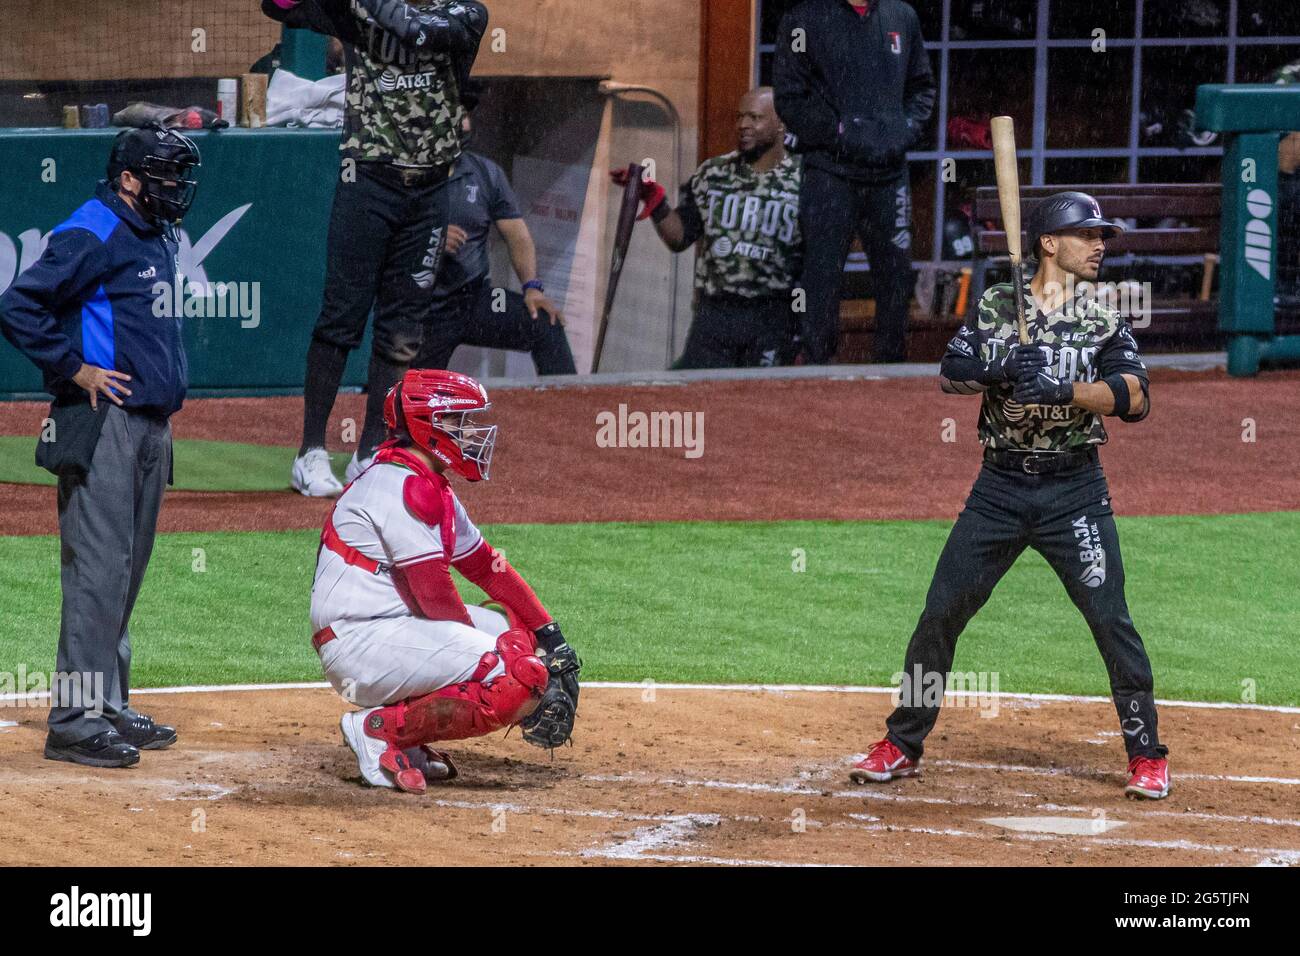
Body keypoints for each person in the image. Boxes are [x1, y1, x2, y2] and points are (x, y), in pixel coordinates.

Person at [849, 191, 1171, 800]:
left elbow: (1136, 398)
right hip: (997, 490)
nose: (1101, 246)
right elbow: (951, 371)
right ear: (1050, 243)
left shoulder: (1104, 316)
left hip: (1074, 490)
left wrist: (1063, 389)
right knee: (941, 612)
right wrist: (999, 371)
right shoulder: (999, 304)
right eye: (1089, 235)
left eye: (1104, 237)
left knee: (1109, 620)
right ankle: (902, 743)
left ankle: (1147, 754)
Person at [0, 124, 201, 767]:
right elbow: (18, 305)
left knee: (126, 571)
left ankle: (108, 704)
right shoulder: (93, 228)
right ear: (130, 179)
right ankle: (73, 719)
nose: (177, 190)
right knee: (96, 572)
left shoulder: (151, 230)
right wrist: (73, 368)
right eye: (167, 177)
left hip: (151, 424)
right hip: (103, 422)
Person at [310, 368, 581, 793]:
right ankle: (379, 730)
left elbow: (487, 566)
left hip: (391, 631)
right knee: (514, 673)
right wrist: (520, 672)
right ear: (427, 426)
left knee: (517, 635)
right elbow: (434, 596)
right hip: (359, 644)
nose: (472, 433)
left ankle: (410, 736)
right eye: (460, 422)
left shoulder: (431, 486)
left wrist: (549, 634)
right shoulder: (397, 487)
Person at [261, 0, 489, 497]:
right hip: (367, 180)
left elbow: (418, 32)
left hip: (430, 191)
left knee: (402, 330)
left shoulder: (466, 15)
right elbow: (276, 6)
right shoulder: (357, 13)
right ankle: (311, 452)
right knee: (341, 318)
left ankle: (370, 451)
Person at [350, 91, 574, 476]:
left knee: (545, 325)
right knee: (400, 398)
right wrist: (429, 237)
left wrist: (534, 287)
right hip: (421, 309)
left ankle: (572, 425)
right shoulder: (404, 174)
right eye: (458, 116)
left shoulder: (485, 173)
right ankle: (380, 457)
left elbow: (516, 233)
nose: (466, 125)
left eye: (469, 116)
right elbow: (377, 240)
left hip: (473, 299)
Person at [773, 0, 936, 363]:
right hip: (830, 172)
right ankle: (817, 367)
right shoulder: (803, 19)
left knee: (895, 277)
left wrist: (902, 132)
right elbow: (789, 96)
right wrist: (838, 132)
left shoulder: (902, 15)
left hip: (889, 172)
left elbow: (922, 87)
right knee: (821, 277)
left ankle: (891, 369)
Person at [611, 87, 802, 369]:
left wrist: (807, 331)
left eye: (755, 117)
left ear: (781, 124)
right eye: (740, 117)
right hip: (716, 313)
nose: (743, 125)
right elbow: (680, 237)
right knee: (697, 396)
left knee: (760, 403)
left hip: (772, 314)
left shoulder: (805, 180)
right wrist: (655, 200)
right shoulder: (713, 174)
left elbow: (819, 260)